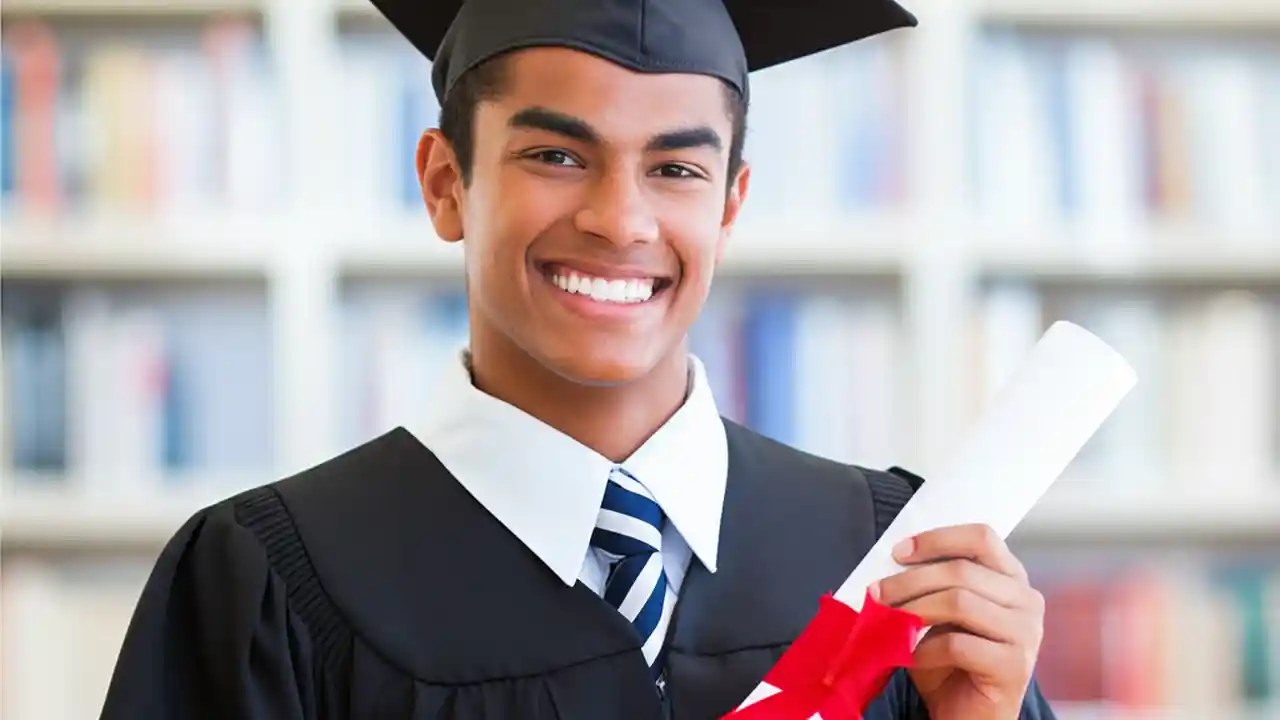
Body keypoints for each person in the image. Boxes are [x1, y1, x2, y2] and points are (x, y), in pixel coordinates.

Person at [101, 0, 1057, 718]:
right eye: (556, 157)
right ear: (445, 183)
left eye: (677, 168)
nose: (619, 220)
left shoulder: (894, 563)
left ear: (730, 204)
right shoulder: (267, 579)